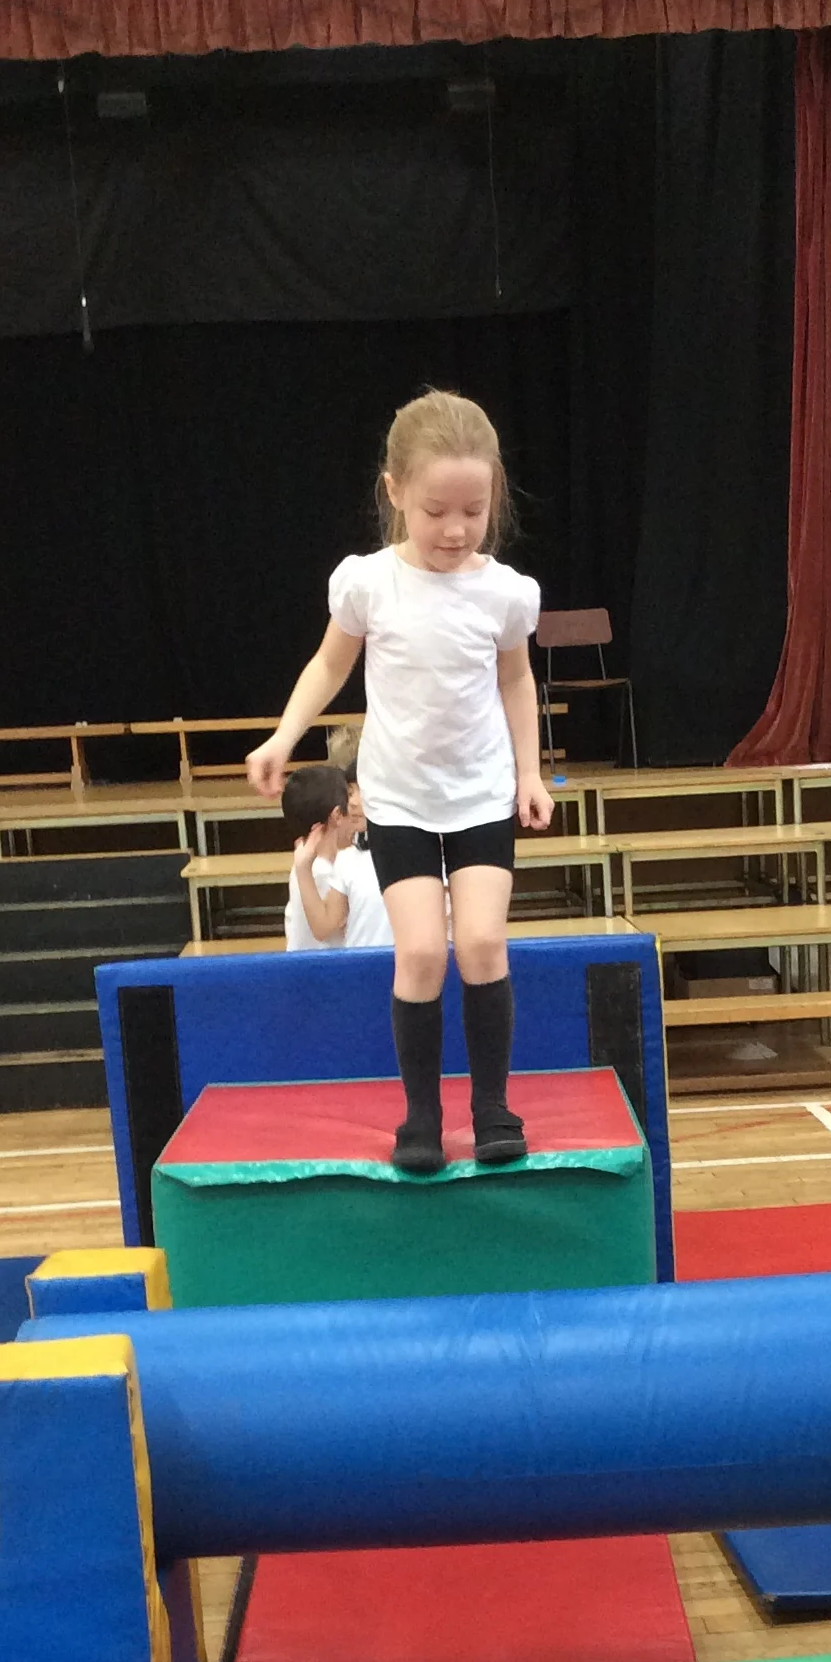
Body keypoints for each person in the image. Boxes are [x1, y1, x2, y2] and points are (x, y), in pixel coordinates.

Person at [246, 389, 551, 1172]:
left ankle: (492, 1108)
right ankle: (421, 1117)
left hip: (480, 794)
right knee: (419, 954)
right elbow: (328, 665)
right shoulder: (370, 584)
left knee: (481, 942)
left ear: (494, 495)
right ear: (395, 493)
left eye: (473, 511)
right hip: (402, 800)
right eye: (435, 511)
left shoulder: (502, 593)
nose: (455, 529)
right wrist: (284, 736)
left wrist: (529, 772)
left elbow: (516, 681)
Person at [281, 748, 391, 952]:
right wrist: (303, 868)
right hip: (345, 965)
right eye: (350, 793)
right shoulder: (342, 863)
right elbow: (324, 927)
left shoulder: (343, 860)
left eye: (362, 790)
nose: (353, 803)